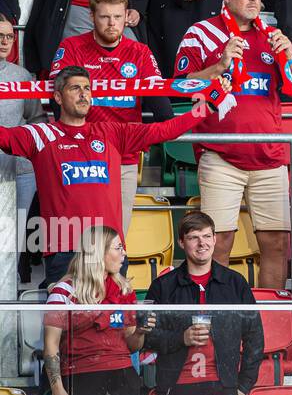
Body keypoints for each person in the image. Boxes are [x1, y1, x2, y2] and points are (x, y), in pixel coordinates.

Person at [0, 66, 209, 284]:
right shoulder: (41, 134)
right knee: (62, 319)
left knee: (113, 318)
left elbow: (164, 130)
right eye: (75, 88)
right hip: (64, 250)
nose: (84, 94)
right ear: (58, 97)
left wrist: (205, 107)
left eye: (87, 88)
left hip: (109, 249)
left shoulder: (111, 132)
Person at [174, 0, 292, 287]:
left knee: (277, 245)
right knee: (218, 245)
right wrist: (219, 66)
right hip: (221, 156)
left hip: (269, 156)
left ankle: (268, 329)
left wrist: (290, 54)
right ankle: (222, 324)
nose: (255, 0)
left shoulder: (272, 36)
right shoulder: (202, 33)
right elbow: (179, 87)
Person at [50, 0, 169, 235]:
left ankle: (113, 276)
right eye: (104, 17)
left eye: (117, 17)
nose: (112, 23)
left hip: (123, 157)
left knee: (116, 239)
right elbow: (56, 100)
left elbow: (162, 109)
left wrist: (141, 137)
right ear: (91, 16)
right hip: (80, 156)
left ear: (127, 16)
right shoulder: (72, 47)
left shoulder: (140, 52)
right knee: (79, 239)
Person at [144, 210, 263, 395]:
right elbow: (147, 338)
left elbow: (255, 337)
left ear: (215, 239)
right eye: (193, 238)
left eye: (207, 236)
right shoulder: (162, 286)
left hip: (223, 388)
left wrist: (243, 386)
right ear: (182, 243)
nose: (202, 244)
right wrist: (181, 338)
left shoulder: (235, 283)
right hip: (177, 388)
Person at [44, 225, 149, 395]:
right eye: (118, 248)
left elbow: (133, 346)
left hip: (122, 375)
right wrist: (57, 388)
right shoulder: (64, 291)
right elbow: (51, 344)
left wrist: (140, 331)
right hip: (81, 375)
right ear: (99, 253)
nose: (124, 253)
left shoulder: (124, 289)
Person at [0, 16, 43, 280]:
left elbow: (37, 119)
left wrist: (23, 149)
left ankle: (8, 299)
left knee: (12, 240)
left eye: (8, 36)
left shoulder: (21, 76)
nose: (4, 41)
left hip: (18, 171)